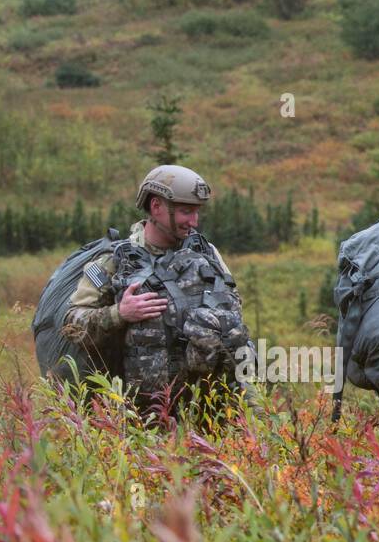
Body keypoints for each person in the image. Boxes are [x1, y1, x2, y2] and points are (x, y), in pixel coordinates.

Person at [62, 165, 250, 413]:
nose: (194, 222)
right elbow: (71, 325)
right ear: (156, 207)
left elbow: (234, 313)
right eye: (186, 212)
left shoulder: (208, 254)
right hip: (142, 417)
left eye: (197, 212)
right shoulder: (112, 263)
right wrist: (120, 313)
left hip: (213, 411)